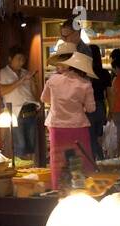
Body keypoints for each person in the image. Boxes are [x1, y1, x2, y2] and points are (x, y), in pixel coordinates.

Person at [40, 50, 96, 189]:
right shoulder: (85, 84)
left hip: (57, 127)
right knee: (81, 160)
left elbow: (44, 99)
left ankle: (59, 190)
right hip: (79, 125)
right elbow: (91, 109)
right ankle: (82, 190)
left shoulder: (52, 80)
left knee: (58, 161)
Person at [0, 45, 40, 159]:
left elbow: (34, 94)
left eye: (23, 59)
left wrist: (33, 82)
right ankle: (21, 170)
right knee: (20, 145)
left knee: (32, 145)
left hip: (31, 111)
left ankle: (31, 170)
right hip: (16, 113)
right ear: (10, 59)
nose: (21, 62)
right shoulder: (2, 73)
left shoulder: (25, 73)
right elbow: (1, 91)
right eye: (18, 59)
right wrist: (21, 81)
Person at [87, 44, 112, 160]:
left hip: (88, 107)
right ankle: (100, 161)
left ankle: (97, 161)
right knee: (98, 137)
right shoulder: (105, 73)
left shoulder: (86, 73)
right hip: (101, 107)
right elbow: (109, 94)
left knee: (91, 137)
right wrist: (110, 110)